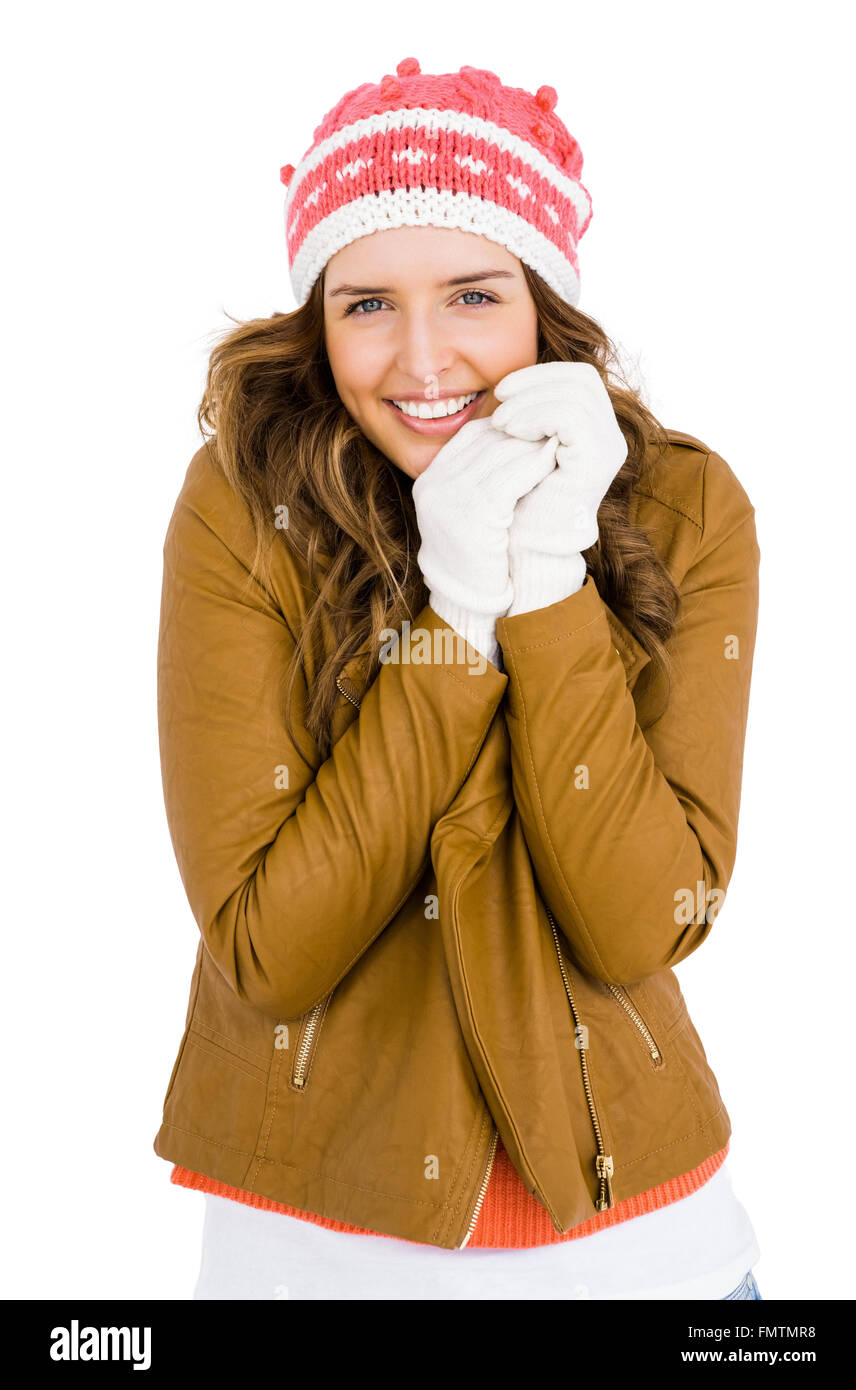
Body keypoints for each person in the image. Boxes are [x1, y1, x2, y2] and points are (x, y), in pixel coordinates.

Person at [153, 56, 763, 1300]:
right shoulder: (242, 507)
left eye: (473, 295)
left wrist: (544, 582)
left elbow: (643, 921)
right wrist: (459, 617)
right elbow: (269, 949)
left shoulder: (684, 505)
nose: (421, 362)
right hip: (311, 1268)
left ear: (543, 304)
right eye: (366, 303)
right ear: (316, 321)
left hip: (656, 1268)